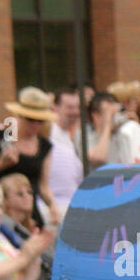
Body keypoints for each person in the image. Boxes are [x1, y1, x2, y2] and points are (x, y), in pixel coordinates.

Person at [0, 88, 60, 229]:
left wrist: (52, 206)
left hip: (29, 212)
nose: (35, 125)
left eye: (40, 120)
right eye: (30, 119)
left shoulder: (44, 145)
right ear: (19, 116)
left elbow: (43, 185)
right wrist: (1, 164)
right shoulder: (2, 137)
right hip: (0, 210)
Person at [47, 87, 84, 218]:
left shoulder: (72, 136)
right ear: (55, 108)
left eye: (77, 107)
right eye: (69, 107)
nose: (75, 112)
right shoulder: (49, 134)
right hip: (54, 208)